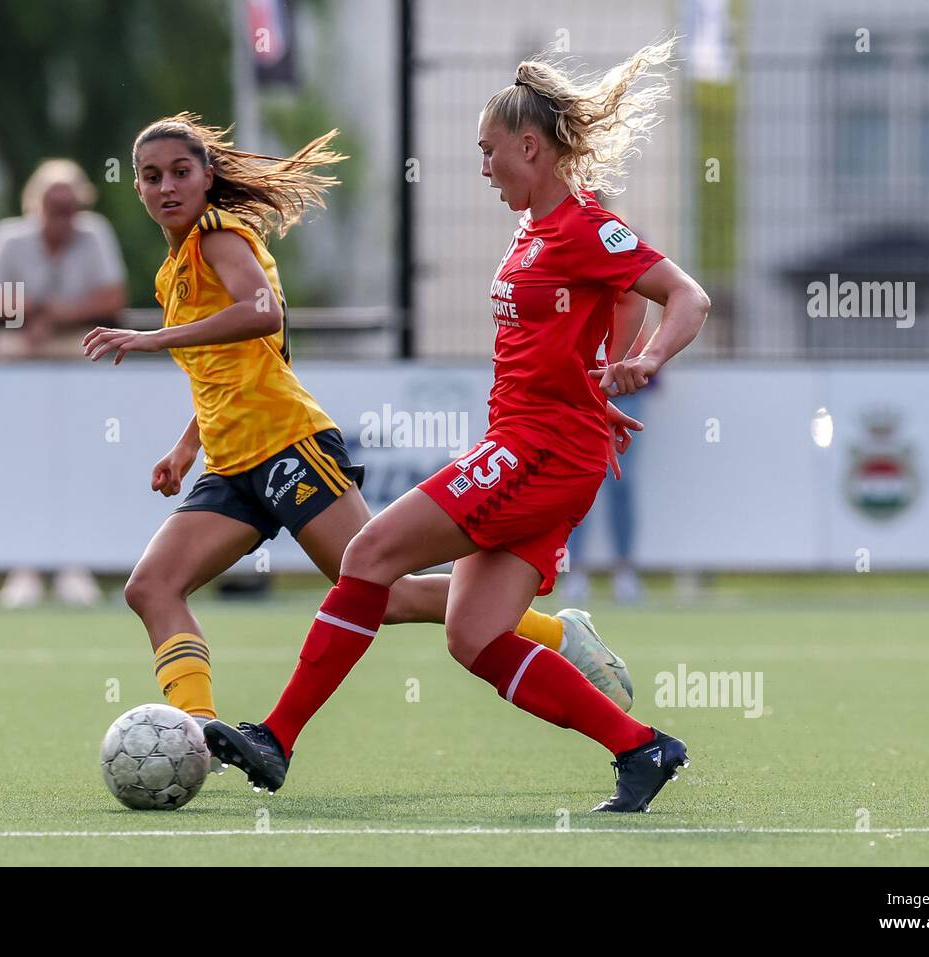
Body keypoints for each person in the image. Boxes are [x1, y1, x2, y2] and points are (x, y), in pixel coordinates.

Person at [204, 40, 710, 813]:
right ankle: (641, 748)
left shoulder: (582, 226)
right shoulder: (533, 231)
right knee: (473, 636)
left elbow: (685, 297)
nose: (483, 167)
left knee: (369, 553)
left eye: (489, 151)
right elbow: (619, 298)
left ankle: (276, 737)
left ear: (530, 147)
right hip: (533, 443)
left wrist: (639, 364)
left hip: (538, 452)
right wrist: (597, 376)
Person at [81, 113, 636, 748]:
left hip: (289, 445)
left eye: (181, 172)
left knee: (385, 592)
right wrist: (187, 447)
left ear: (208, 178)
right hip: (232, 463)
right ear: (138, 189)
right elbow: (231, 369)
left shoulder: (218, 237)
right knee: (151, 586)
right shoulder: (173, 267)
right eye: (151, 178)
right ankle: (200, 737)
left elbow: (261, 315)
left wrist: (154, 338)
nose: (167, 187)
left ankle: (557, 634)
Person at [0, 159, 128, 608]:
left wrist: (51, 315)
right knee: (20, 463)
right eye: (54, 205)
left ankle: (72, 564)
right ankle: (22, 566)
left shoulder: (95, 233)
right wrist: (36, 312)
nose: (63, 214)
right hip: (19, 366)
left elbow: (113, 297)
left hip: (76, 365)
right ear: (34, 204)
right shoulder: (9, 236)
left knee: (76, 461)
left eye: (70, 205)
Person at [563, 289, 652, 604]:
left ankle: (625, 570)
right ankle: (575, 570)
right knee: (582, 478)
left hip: (624, 385)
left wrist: (646, 361)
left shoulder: (626, 258)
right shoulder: (580, 263)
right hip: (583, 381)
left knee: (621, 480)